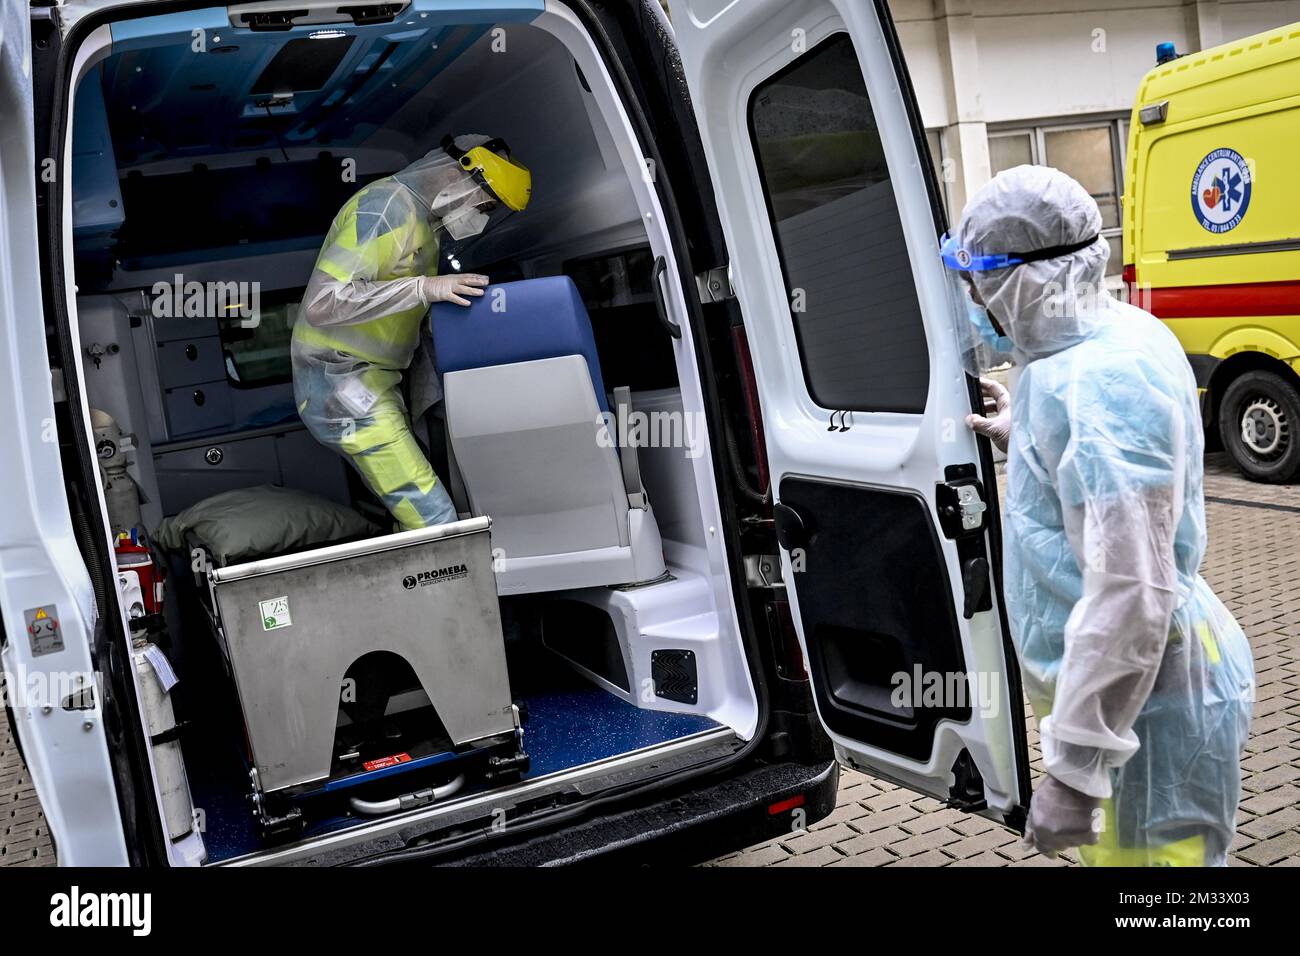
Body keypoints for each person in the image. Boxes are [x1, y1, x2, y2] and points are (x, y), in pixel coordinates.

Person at [945, 165, 1255, 866]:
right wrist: (1022, 434)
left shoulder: (1091, 394)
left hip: (1145, 710)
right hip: (1139, 694)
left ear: (1025, 281)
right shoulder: (1109, 339)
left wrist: (1077, 773)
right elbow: (1104, 485)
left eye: (978, 280)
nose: (974, 299)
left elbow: (1131, 595)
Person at [292, 134, 531, 530]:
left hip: (376, 380)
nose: (482, 217)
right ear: (456, 173)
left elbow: (391, 303)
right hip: (342, 384)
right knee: (433, 515)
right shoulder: (385, 210)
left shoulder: (423, 222)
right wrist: (423, 288)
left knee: (416, 508)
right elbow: (323, 304)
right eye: (484, 204)